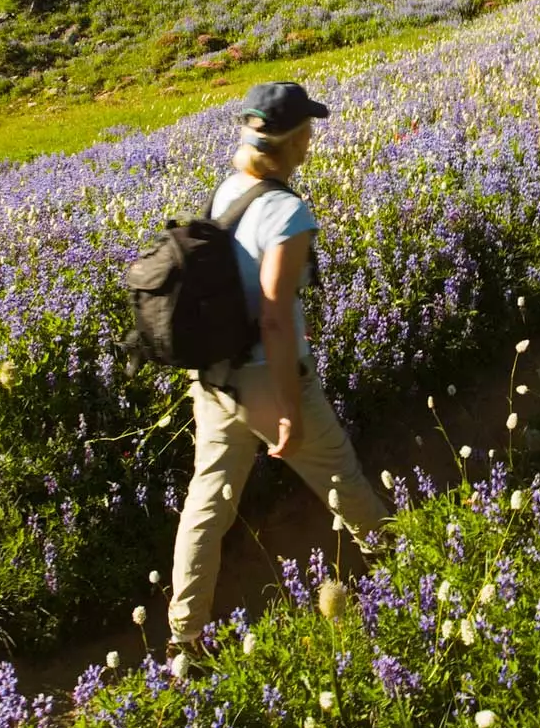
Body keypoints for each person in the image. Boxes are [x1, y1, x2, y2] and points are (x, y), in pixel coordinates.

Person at [166, 81, 387, 662]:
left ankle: (185, 640)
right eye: (306, 132)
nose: (312, 140)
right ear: (291, 143)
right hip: (268, 380)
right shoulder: (289, 213)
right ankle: (406, 572)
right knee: (341, 477)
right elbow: (275, 321)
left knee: (207, 503)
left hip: (215, 377)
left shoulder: (229, 190)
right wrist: (288, 406)